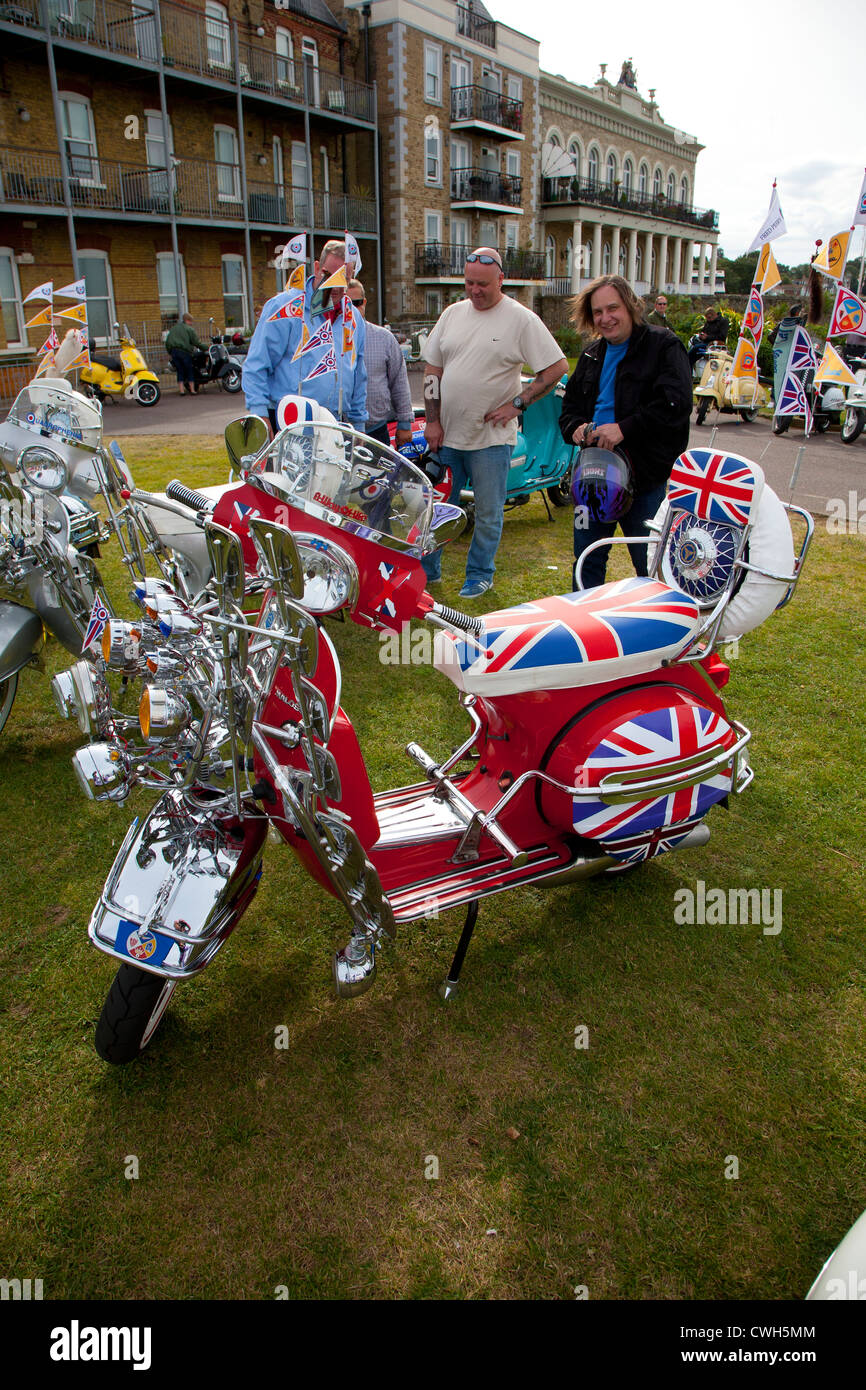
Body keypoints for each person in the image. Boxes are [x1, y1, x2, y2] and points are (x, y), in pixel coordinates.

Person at [422, 247, 567, 599]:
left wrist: (517, 404)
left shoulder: (521, 319)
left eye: (483, 284)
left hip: (492, 440)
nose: (475, 290)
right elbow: (432, 370)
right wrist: (432, 421)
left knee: (487, 513)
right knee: (435, 509)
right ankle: (427, 574)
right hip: (447, 437)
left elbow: (557, 368)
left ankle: (479, 575)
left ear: (501, 279)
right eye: (469, 282)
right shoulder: (453, 314)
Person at [559, 273, 693, 590]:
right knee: (585, 560)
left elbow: (676, 404)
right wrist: (576, 429)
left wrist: (623, 429)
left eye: (612, 308)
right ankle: (584, 629)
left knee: (649, 564)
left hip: (644, 479)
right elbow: (568, 411)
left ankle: (657, 631)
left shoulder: (664, 345)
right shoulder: (591, 355)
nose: (606, 318)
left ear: (631, 306)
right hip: (591, 479)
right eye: (598, 312)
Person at [242, 239, 367, 435]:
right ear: (317, 268)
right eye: (329, 275)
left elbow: (358, 373)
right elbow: (256, 365)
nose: (336, 286)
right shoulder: (283, 308)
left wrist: (359, 425)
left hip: (335, 424)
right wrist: (260, 417)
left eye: (343, 278)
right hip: (288, 422)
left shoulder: (354, 318)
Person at [347, 279, 414, 448]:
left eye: (356, 303)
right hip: (340, 434)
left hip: (376, 432)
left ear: (364, 302)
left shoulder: (384, 338)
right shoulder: (329, 340)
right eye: (347, 304)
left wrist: (405, 423)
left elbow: (399, 381)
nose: (352, 309)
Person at [165, 312, 206, 395]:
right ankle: (192, 390)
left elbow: (168, 342)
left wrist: (170, 352)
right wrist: (206, 348)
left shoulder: (173, 329)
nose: (192, 323)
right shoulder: (189, 329)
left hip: (174, 352)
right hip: (184, 352)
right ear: (187, 320)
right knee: (189, 370)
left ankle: (181, 391)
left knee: (180, 371)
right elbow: (196, 342)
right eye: (191, 321)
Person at [687, 304, 728, 368]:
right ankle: (689, 364)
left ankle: (685, 361)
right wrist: (702, 336)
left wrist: (708, 337)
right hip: (706, 342)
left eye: (709, 318)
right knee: (694, 345)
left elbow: (722, 336)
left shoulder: (723, 321)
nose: (708, 320)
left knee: (696, 348)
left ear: (714, 315)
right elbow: (704, 331)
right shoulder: (708, 322)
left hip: (715, 344)